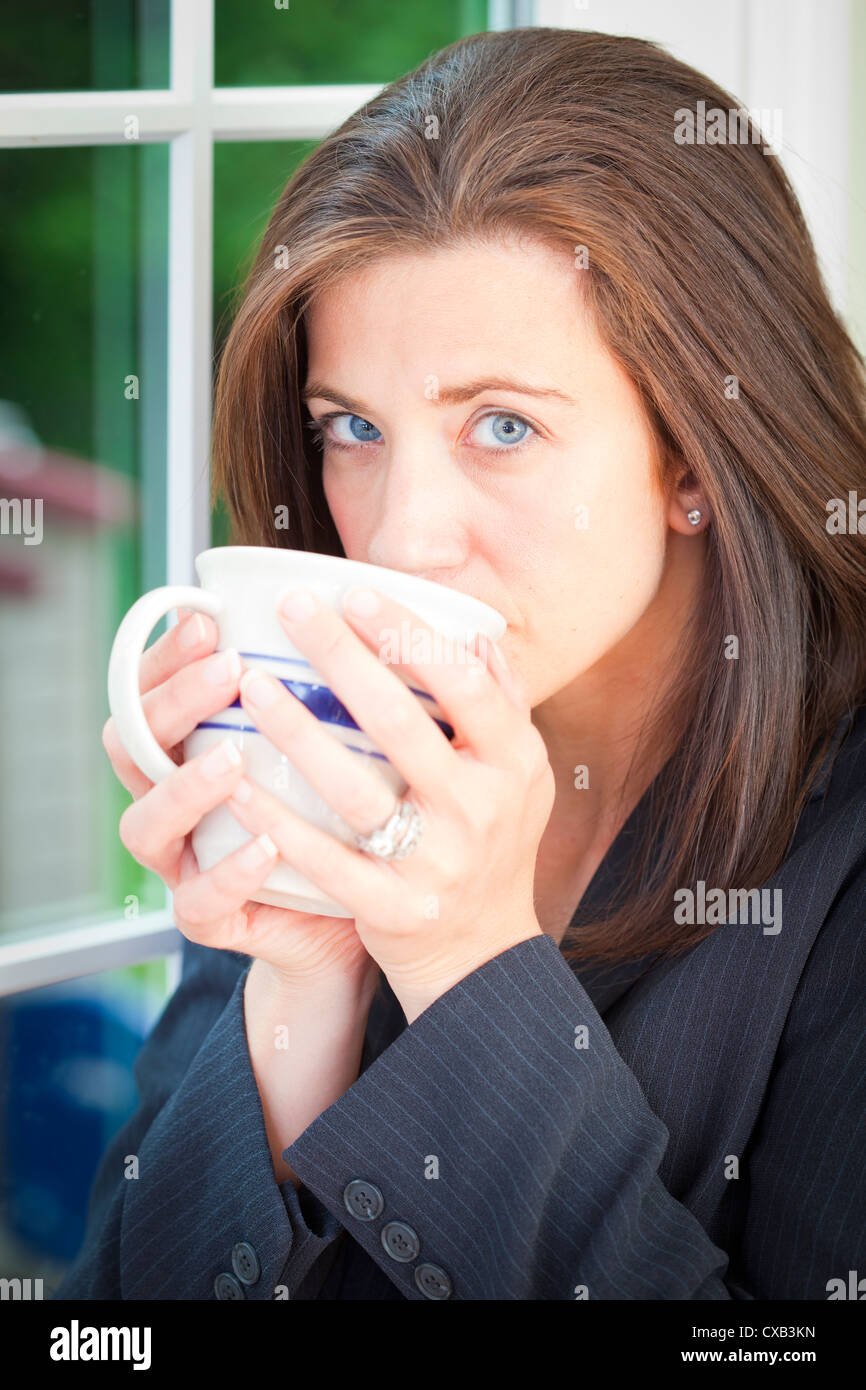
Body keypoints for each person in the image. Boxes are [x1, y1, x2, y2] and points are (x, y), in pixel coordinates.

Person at [55, 26, 866, 1301]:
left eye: (501, 426)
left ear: (696, 458)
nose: (400, 532)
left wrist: (468, 970)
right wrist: (303, 986)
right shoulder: (330, 760)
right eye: (352, 428)